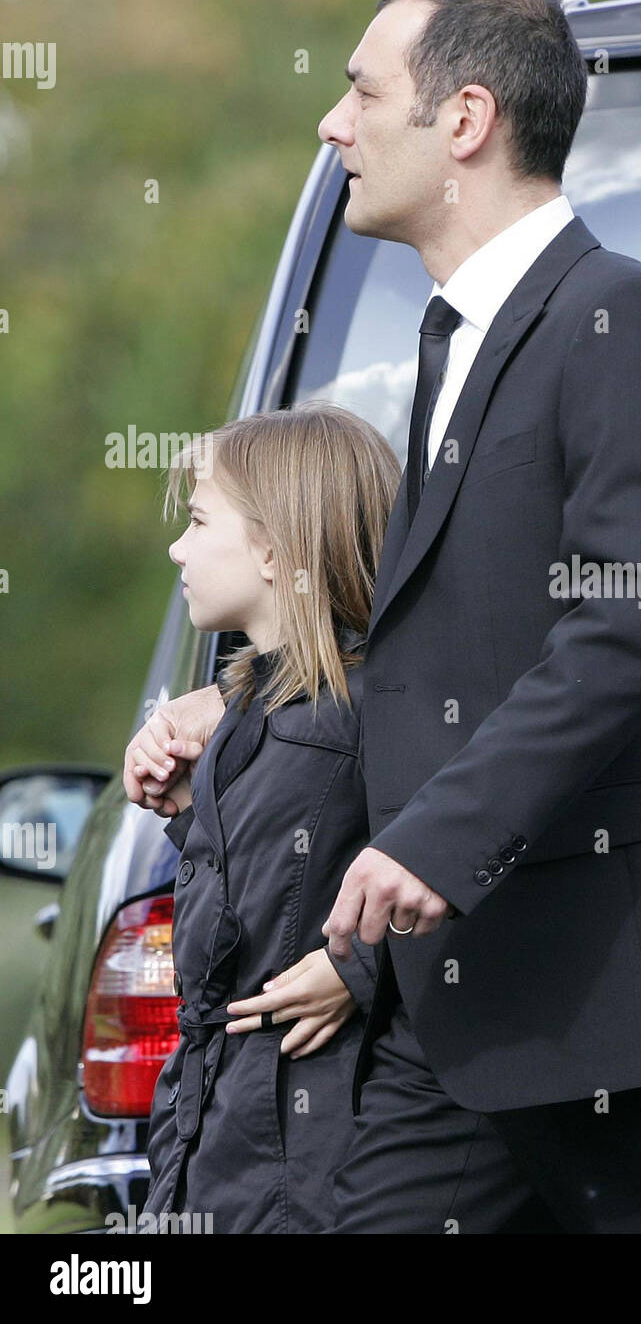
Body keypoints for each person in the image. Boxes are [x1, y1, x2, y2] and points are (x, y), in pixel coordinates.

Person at [125, 0, 641, 1234]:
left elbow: (627, 625)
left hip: (628, 989)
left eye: (360, 92)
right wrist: (233, 713)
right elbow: (452, 652)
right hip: (474, 995)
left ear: (463, 121)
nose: (332, 124)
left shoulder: (621, 316)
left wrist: (429, 846)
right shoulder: (459, 340)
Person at [137, 403, 398, 1233]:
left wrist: (363, 970)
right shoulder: (261, 713)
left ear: (276, 547)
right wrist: (193, 814)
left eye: (199, 521)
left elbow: (467, 875)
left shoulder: (360, 720)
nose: (178, 547)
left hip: (297, 1157)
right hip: (225, 1133)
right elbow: (277, 894)